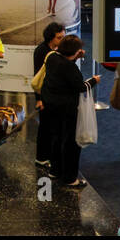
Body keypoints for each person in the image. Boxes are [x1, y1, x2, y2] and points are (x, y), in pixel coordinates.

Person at [40, 34, 100, 190]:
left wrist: (74, 56)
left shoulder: (52, 57)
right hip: (67, 110)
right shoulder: (69, 67)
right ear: (74, 52)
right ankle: (70, 178)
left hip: (51, 106)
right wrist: (93, 80)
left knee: (56, 137)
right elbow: (79, 86)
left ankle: (55, 170)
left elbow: (64, 65)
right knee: (71, 144)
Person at [32, 21, 66, 168]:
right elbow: (37, 77)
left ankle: (52, 156)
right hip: (46, 95)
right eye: (59, 37)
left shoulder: (60, 49)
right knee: (45, 128)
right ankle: (41, 157)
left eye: (63, 37)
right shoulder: (41, 51)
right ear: (51, 37)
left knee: (54, 128)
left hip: (56, 95)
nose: (62, 40)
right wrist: (39, 99)